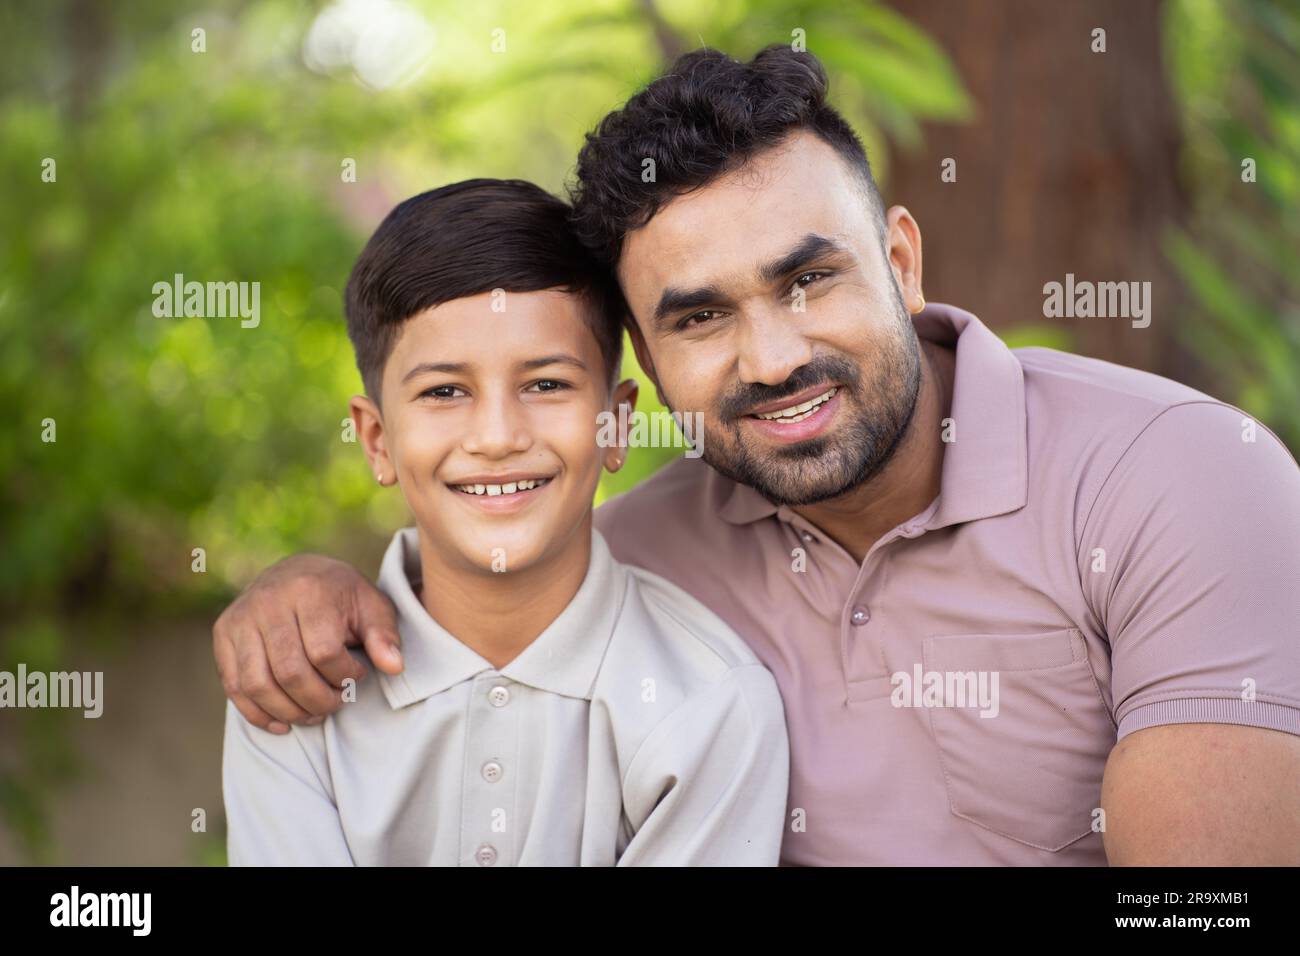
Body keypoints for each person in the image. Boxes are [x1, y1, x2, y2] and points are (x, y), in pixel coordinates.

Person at [216, 48, 1300, 865]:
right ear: (645, 365)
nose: (774, 358)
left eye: (808, 280)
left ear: (900, 260)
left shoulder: (1179, 476)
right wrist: (295, 592)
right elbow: (486, 570)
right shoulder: (645, 562)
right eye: (700, 318)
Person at [221, 178, 790, 866]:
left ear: (616, 424)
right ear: (376, 440)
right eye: (444, 391)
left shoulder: (710, 703)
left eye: (546, 384)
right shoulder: (296, 681)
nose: (496, 436)